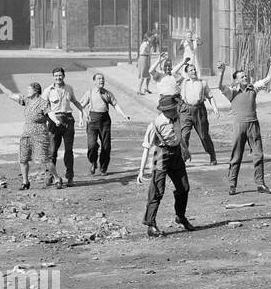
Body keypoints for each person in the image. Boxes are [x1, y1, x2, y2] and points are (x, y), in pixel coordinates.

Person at [217, 57, 271, 195]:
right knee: (236, 156)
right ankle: (232, 185)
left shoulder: (253, 88)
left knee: (258, 155)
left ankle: (260, 184)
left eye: (245, 76)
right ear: (236, 80)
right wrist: (221, 71)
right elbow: (220, 87)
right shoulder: (232, 92)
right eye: (242, 77)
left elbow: (268, 78)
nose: (245, 78)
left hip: (253, 125)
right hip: (239, 127)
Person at [137, 100, 194, 237]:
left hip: (176, 154)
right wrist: (141, 171)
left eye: (175, 108)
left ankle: (180, 217)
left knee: (184, 187)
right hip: (160, 155)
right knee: (157, 190)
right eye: (172, 109)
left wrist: (186, 150)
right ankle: (151, 225)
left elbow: (178, 136)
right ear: (164, 111)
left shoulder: (176, 118)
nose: (175, 111)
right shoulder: (155, 124)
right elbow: (146, 147)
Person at [0, 78, 56, 190]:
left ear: (36, 91)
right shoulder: (26, 100)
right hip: (26, 134)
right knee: (23, 159)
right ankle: (25, 182)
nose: (27, 92)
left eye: (29, 90)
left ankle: (57, 178)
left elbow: (50, 113)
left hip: (40, 135)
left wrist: (56, 121)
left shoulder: (43, 103)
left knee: (44, 159)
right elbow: (11, 95)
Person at [44, 67, 85, 187]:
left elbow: (75, 101)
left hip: (68, 120)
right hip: (54, 122)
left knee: (69, 150)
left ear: (64, 76)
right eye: (56, 75)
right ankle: (50, 175)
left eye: (60, 75)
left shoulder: (69, 88)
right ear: (53, 77)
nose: (58, 78)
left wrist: (83, 111)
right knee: (52, 151)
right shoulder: (48, 91)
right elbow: (44, 107)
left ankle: (70, 177)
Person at [85, 72, 130, 176]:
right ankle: (93, 162)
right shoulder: (89, 92)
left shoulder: (108, 93)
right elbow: (81, 106)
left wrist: (123, 115)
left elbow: (116, 105)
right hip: (92, 120)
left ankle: (103, 168)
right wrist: (82, 117)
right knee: (91, 145)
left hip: (105, 121)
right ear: (94, 81)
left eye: (103, 79)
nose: (101, 80)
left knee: (106, 146)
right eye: (99, 79)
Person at [177, 63, 218, 164]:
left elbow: (210, 96)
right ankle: (184, 157)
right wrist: (183, 63)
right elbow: (174, 72)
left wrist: (215, 109)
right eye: (191, 70)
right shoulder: (183, 83)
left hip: (199, 111)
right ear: (186, 73)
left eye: (194, 69)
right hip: (186, 111)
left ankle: (212, 155)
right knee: (184, 136)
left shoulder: (202, 83)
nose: (194, 72)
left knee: (204, 136)